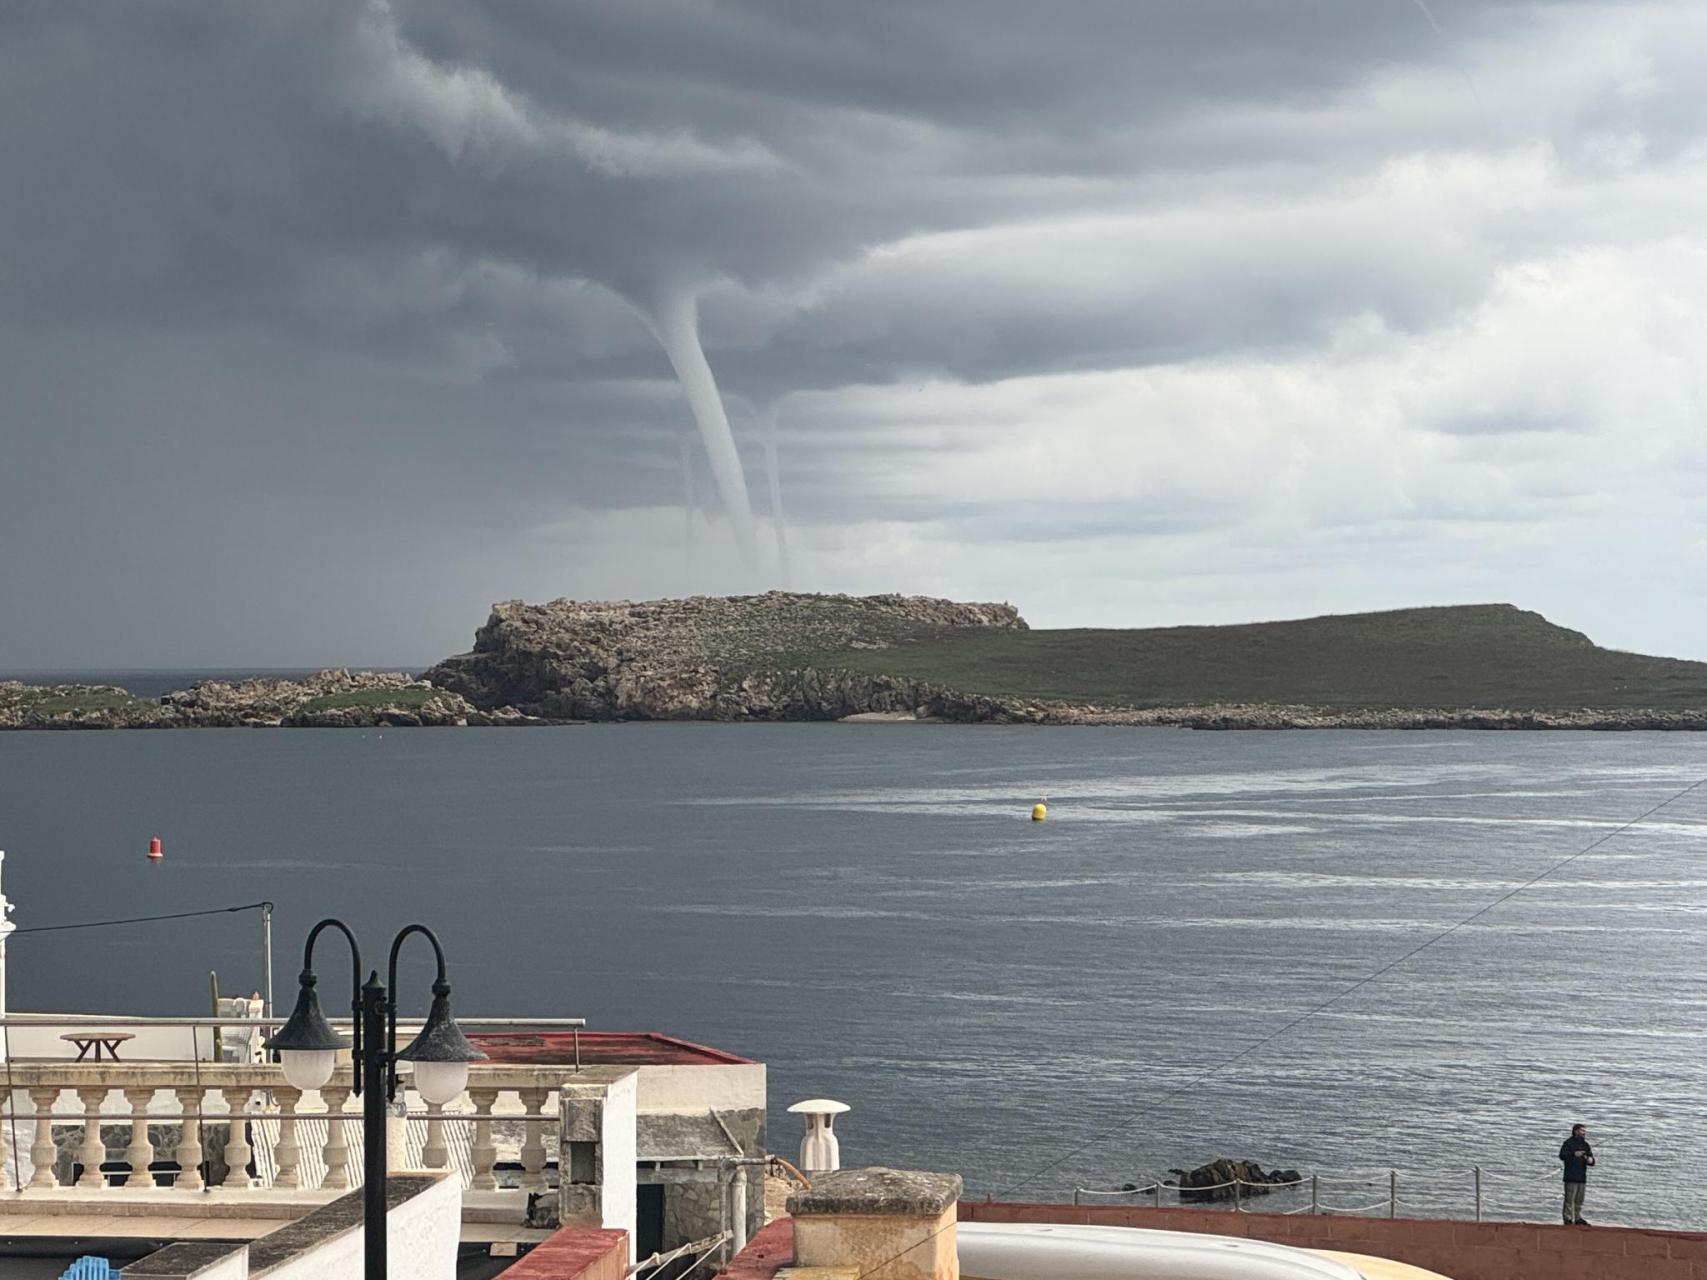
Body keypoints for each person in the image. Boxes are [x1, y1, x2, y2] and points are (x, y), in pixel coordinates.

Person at [1559, 1123, 1595, 1224]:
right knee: (1569, 1200)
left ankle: (1578, 1218)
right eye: (1582, 1131)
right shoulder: (1568, 1143)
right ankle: (1568, 1218)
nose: (1584, 1133)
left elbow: (1592, 1159)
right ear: (1576, 1131)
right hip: (1570, 1176)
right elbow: (1562, 1155)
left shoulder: (1585, 1145)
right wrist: (1573, 1154)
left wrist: (1590, 1160)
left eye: (1584, 1131)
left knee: (1579, 1200)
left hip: (1582, 1177)